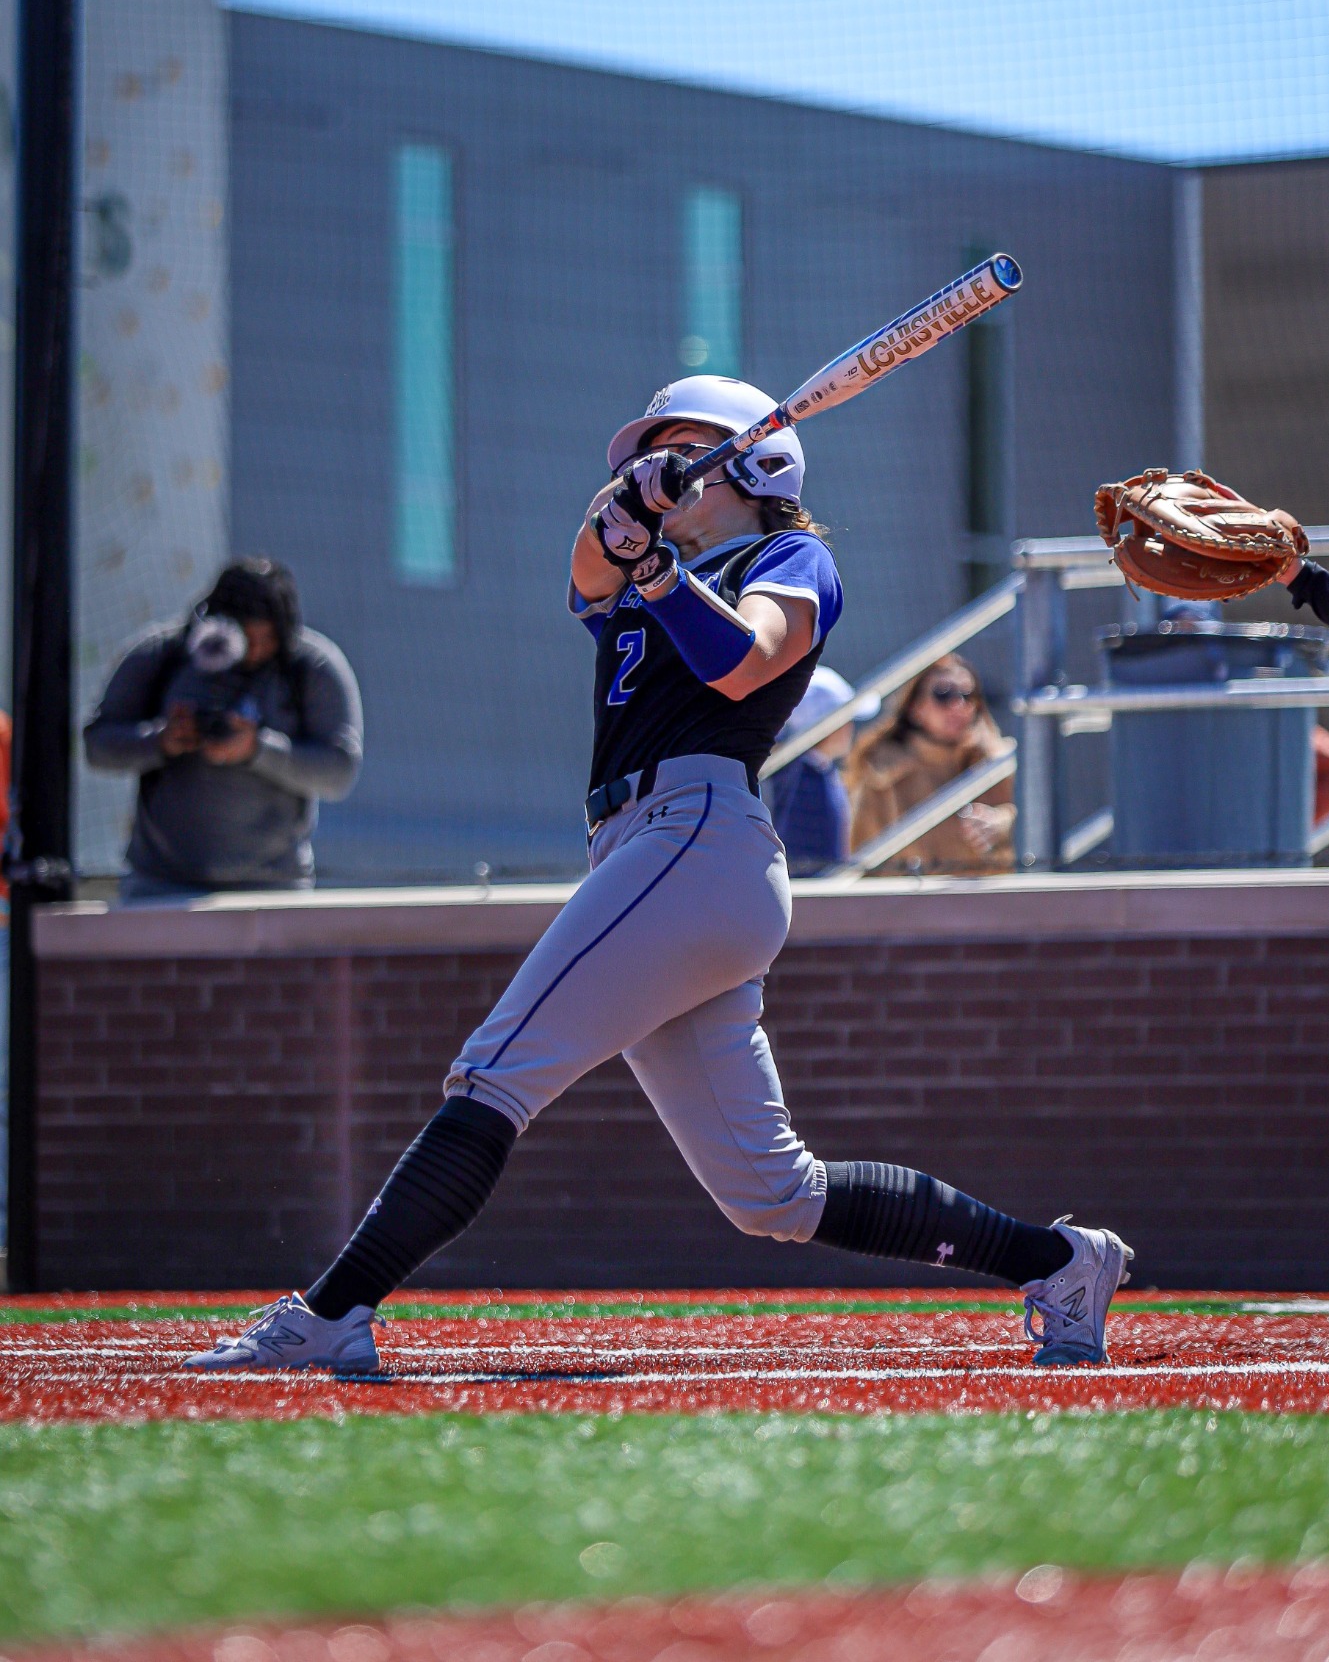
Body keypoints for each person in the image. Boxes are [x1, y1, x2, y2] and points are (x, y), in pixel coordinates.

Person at [184, 378, 1130, 1377]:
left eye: (676, 448)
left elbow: (746, 660)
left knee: (493, 1071)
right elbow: (589, 567)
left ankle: (332, 1308)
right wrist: (633, 517)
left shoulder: (789, 552)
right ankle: (1060, 1259)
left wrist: (662, 563)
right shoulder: (645, 567)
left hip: (697, 835)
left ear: (752, 462)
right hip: (653, 853)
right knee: (773, 1192)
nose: (652, 467)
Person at [84, 558, 363, 898]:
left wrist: (257, 749)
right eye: (246, 637)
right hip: (160, 884)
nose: (257, 649)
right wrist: (162, 741)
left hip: (273, 889)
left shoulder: (312, 668)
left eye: (268, 638)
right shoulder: (162, 655)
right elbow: (97, 746)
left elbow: (339, 773)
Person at [844, 653, 1015, 876]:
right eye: (943, 695)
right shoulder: (883, 773)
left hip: (992, 905)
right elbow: (864, 866)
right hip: (912, 906)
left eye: (968, 695)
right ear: (915, 708)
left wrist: (1004, 826)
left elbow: (1037, 842)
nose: (958, 705)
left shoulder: (997, 763)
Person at [764, 665, 880, 874]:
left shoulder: (820, 770)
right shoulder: (798, 778)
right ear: (824, 724)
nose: (851, 727)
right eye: (845, 718)